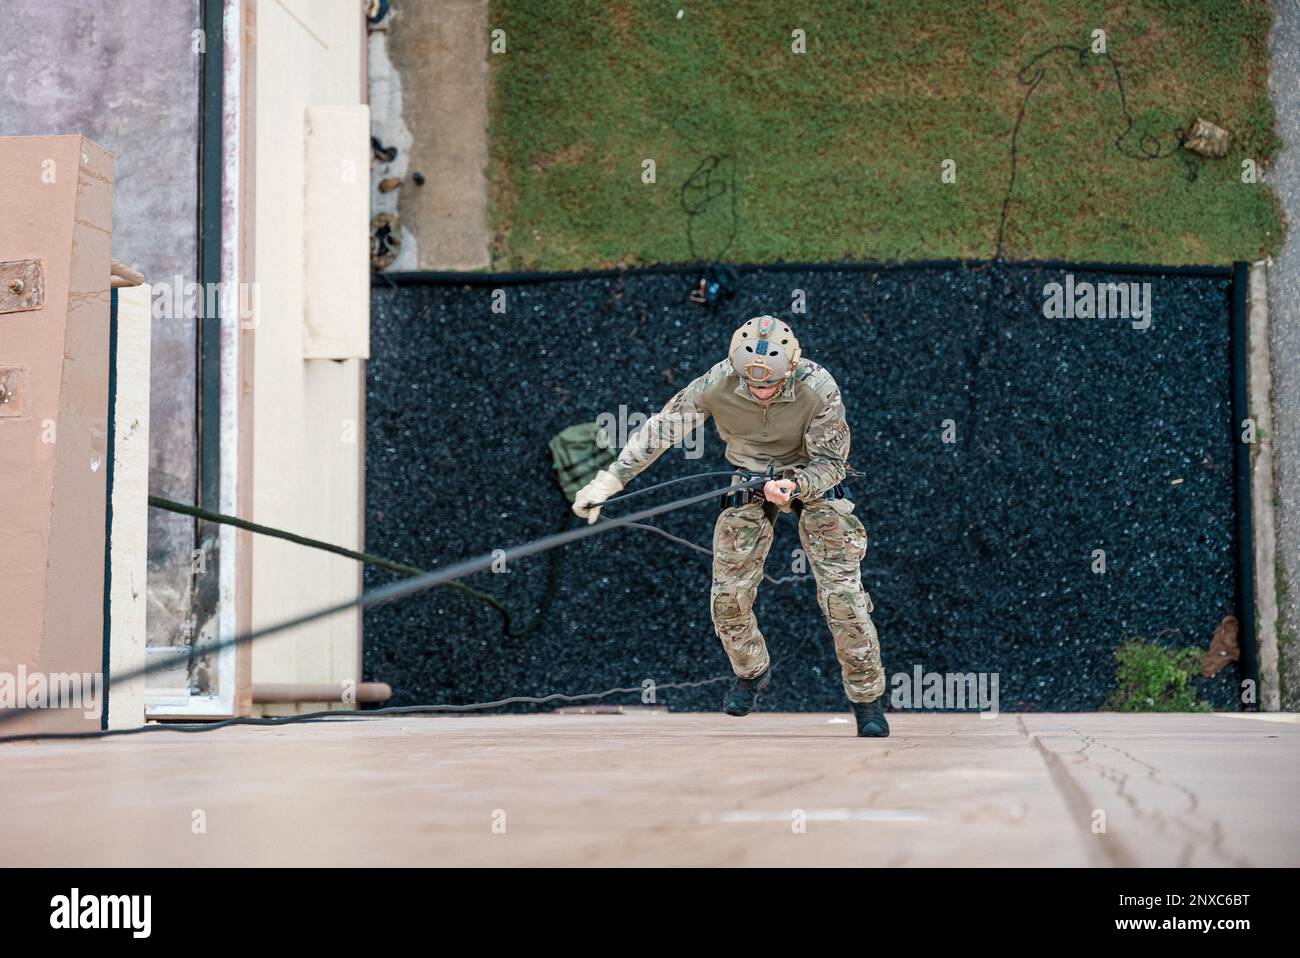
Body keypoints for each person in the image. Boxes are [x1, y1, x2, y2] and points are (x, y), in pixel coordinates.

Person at [573, 316, 888, 737]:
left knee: (843, 596)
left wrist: (795, 485)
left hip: (811, 479)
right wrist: (613, 478)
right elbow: (664, 427)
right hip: (751, 477)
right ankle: (752, 671)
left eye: (769, 386)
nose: (759, 392)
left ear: (790, 368)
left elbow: (833, 464)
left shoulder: (819, 387)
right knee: (728, 596)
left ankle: (866, 701)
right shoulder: (716, 382)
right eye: (752, 384)